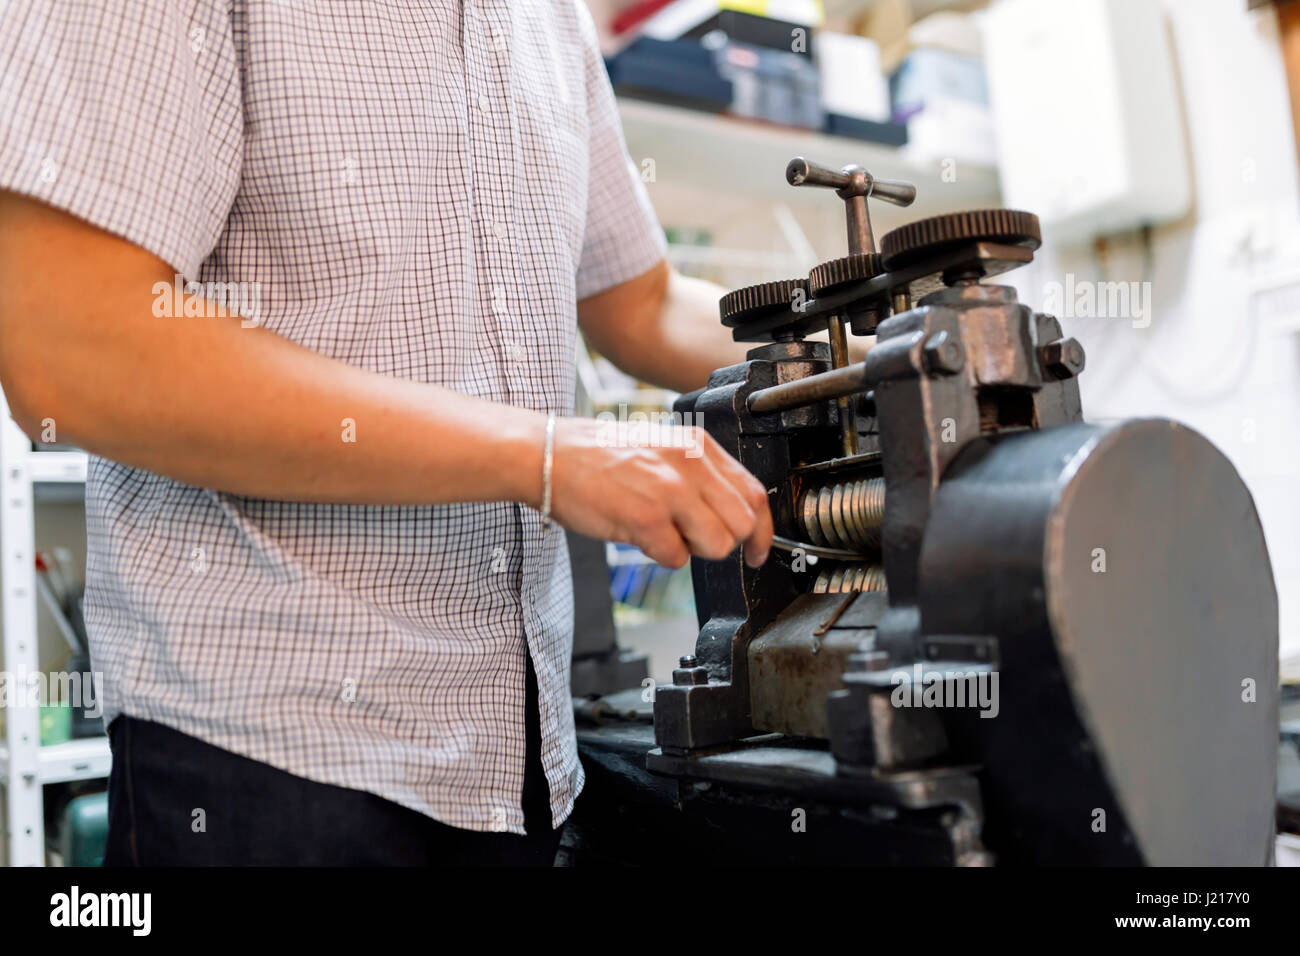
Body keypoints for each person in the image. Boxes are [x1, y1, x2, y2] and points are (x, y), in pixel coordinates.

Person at [0, 1, 773, 865]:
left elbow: (642, 304)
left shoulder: (545, 14)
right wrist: (549, 457)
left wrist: (873, 325)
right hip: (272, 769)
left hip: (525, 771)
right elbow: (73, 346)